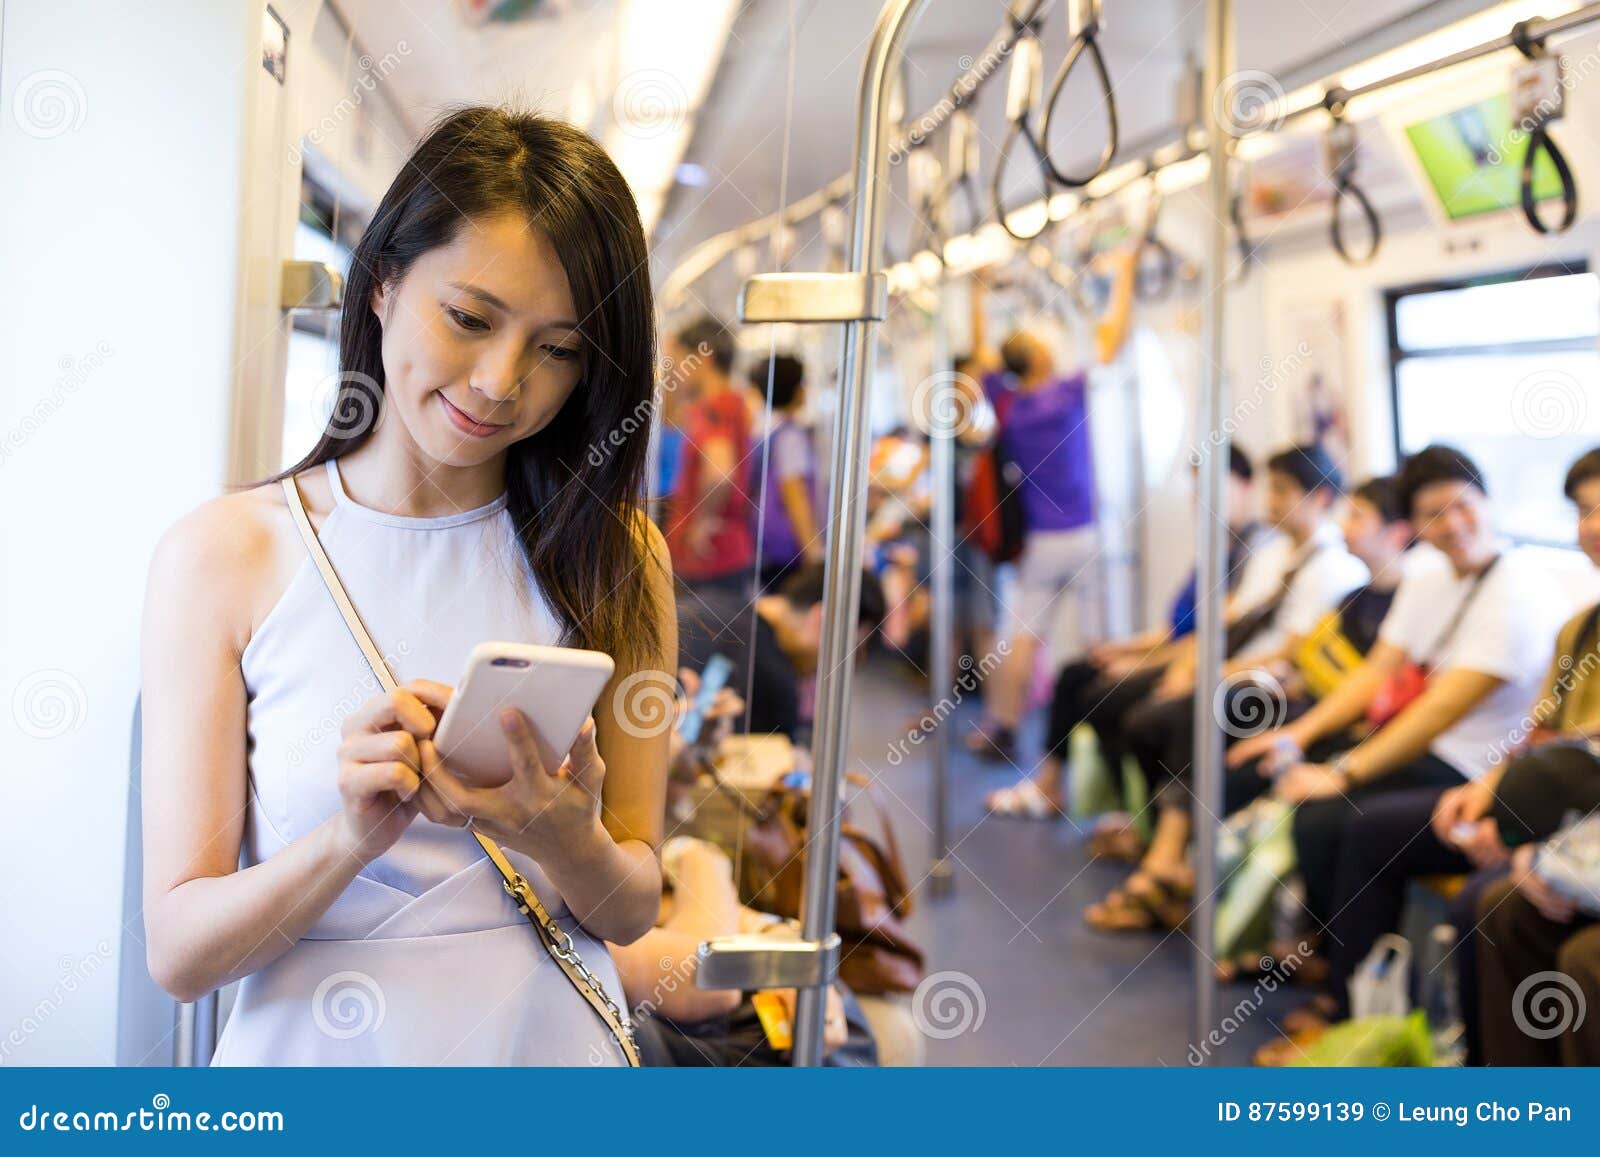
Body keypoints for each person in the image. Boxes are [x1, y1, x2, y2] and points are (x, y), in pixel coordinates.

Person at [139, 109, 676, 1065]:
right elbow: (180, 954)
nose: (501, 381)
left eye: (558, 349)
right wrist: (349, 838)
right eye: (469, 318)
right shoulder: (224, 555)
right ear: (382, 282)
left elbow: (632, 904)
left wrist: (565, 836)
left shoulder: (615, 550)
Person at [1231, 445, 1568, 1053]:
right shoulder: (1430, 576)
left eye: (1462, 505)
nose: (1453, 524)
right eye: (1434, 514)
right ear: (1415, 524)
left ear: (1487, 502)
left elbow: (1442, 706)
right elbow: (1378, 672)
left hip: (1479, 769)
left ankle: (1350, 1013)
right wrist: (1299, 737)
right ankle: (1328, 958)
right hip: (1438, 755)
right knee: (1315, 816)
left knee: (1357, 826)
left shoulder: (1519, 589)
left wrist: (1344, 770)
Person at [1085, 444, 1369, 932]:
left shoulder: (1337, 569)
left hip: (1277, 686)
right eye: (1271, 489)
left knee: (1193, 715)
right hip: (1239, 668)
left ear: (1321, 498)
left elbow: (1291, 654)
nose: (1272, 502)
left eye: (1284, 491)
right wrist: (1193, 661)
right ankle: (1160, 842)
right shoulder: (1274, 552)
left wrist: (1216, 672)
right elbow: (1230, 616)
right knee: (1131, 711)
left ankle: (1169, 859)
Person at [983, 444, 1269, 821]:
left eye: (1213, 488)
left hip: (1198, 662)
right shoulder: (1213, 552)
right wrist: (1124, 648)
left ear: (1245, 486)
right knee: (1075, 673)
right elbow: (1178, 628)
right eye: (1197, 490)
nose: (1201, 500)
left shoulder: (1255, 553)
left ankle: (1133, 815)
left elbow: (1213, 634)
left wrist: (1139, 664)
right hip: (1176, 651)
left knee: (1104, 699)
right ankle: (1051, 785)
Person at [963, 324, 1102, 763]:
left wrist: (977, 289)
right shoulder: (1067, 394)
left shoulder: (1009, 405)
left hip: (1040, 541)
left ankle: (1004, 726)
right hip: (1083, 533)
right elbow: (1111, 339)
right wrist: (1127, 269)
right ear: (1039, 360)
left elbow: (986, 358)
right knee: (1095, 639)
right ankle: (1092, 742)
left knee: (1023, 636)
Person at [676, 563, 888, 743]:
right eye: (848, 653)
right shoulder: (776, 679)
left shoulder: (713, 602)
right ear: (821, 620)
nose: (832, 669)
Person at [665, 316, 757, 592]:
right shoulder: (735, 403)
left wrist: (701, 523)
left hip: (706, 562)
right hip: (728, 554)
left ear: (702, 359)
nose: (676, 372)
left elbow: (720, 472)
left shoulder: (712, 408)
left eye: (680, 359)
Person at [749, 353, 823, 590]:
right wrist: (814, 553)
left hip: (764, 544)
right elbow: (795, 496)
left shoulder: (762, 431)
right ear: (796, 390)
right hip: (788, 551)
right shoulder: (791, 437)